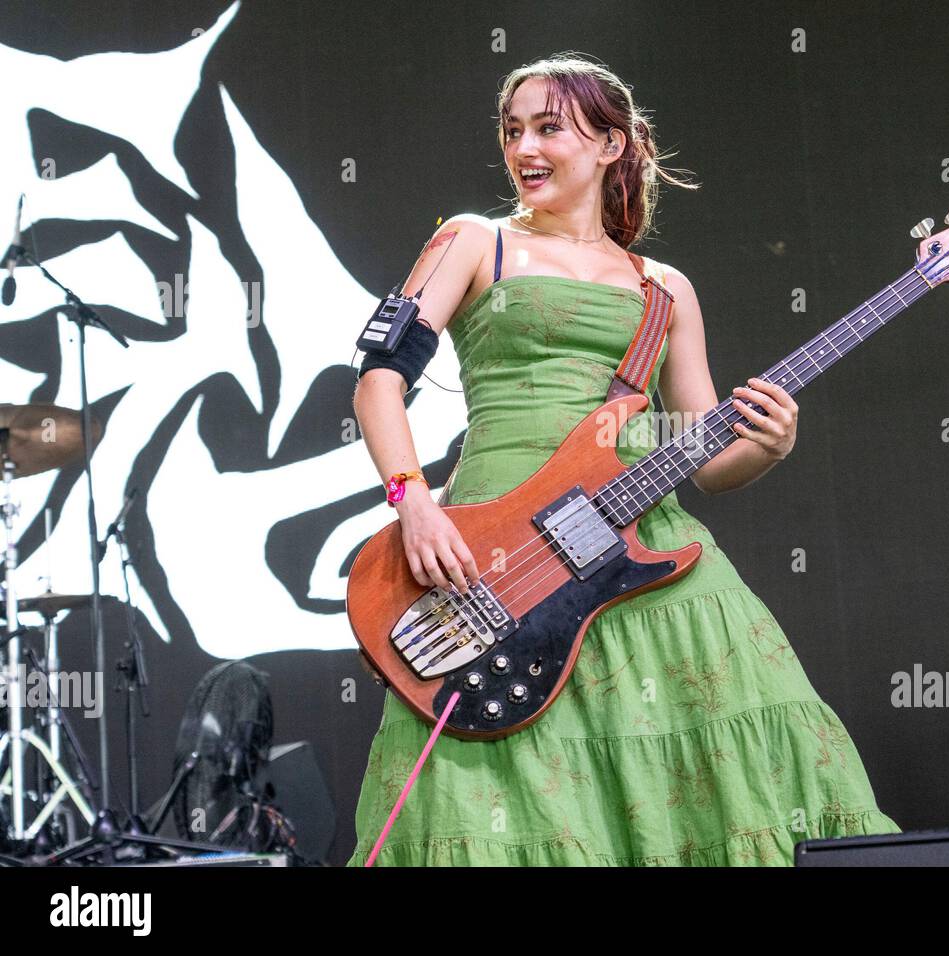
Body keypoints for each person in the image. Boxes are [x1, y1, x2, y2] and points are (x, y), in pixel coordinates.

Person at [347, 53, 899, 866]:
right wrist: (414, 499)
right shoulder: (473, 240)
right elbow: (377, 381)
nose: (524, 148)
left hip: (644, 551)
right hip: (500, 556)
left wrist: (768, 446)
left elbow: (704, 457)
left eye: (549, 128)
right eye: (512, 131)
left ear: (611, 145)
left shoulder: (664, 290)